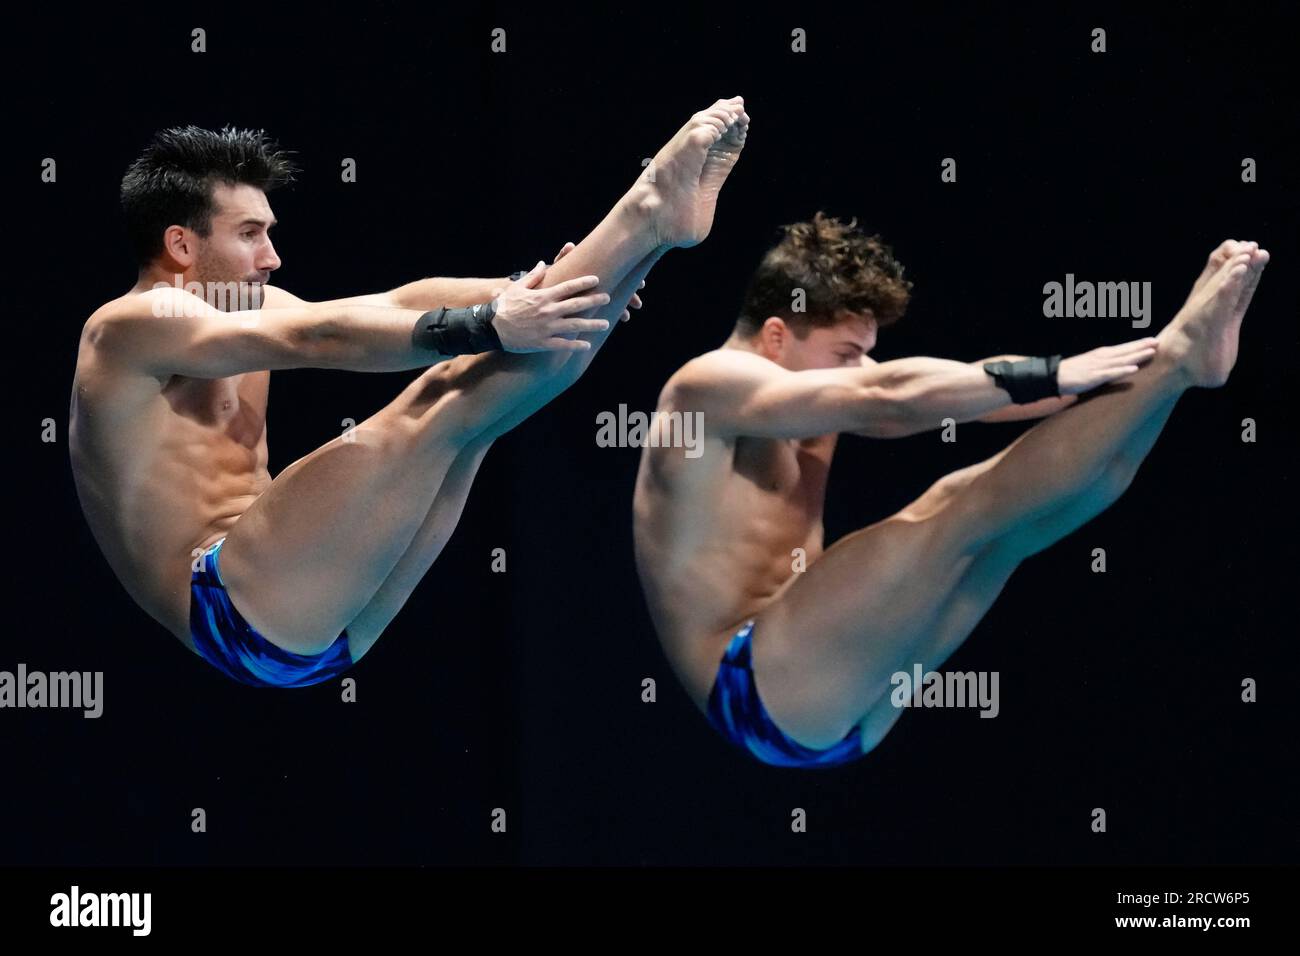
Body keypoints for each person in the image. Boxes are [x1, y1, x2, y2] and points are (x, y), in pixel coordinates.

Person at [70, 97, 749, 687]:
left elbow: (393, 300)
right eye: (251, 235)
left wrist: (523, 289)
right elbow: (313, 339)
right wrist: (486, 322)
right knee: (443, 399)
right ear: (181, 245)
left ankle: (652, 241)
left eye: (270, 233)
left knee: (486, 411)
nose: (272, 255)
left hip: (319, 619)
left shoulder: (244, 303)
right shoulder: (127, 327)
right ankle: (645, 211)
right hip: (232, 604)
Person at [633, 213, 1267, 767]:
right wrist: (1051, 373)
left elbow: (949, 397)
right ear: (777, 334)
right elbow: (886, 394)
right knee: (958, 506)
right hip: (757, 687)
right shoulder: (705, 388)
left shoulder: (820, 390)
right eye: (847, 351)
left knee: (1014, 532)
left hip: (844, 696)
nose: (861, 367)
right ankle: (1178, 361)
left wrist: (1100, 378)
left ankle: (1175, 374)